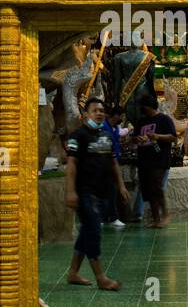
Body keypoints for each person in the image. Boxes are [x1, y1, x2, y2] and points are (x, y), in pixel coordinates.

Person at [66, 97, 129, 290]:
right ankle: (101, 277)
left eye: (102, 110)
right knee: (94, 230)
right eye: (95, 110)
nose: (99, 113)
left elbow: (113, 163)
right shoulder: (78, 135)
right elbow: (71, 165)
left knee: (87, 230)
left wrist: (121, 186)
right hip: (84, 192)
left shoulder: (107, 135)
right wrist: (70, 191)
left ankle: (73, 273)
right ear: (86, 114)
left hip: (101, 191)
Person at [135, 95, 177, 228]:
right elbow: (134, 138)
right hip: (144, 159)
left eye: (143, 106)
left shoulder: (164, 119)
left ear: (148, 106)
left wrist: (157, 136)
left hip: (159, 159)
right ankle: (156, 218)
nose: (141, 109)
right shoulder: (141, 121)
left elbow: (173, 137)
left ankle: (165, 214)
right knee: (148, 189)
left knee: (156, 187)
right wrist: (137, 139)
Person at [101, 103, 127, 228]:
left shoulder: (115, 128)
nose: (121, 118)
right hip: (104, 163)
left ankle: (111, 217)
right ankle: (105, 217)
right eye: (121, 115)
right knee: (105, 191)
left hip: (113, 161)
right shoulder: (104, 127)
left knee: (111, 190)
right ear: (115, 115)